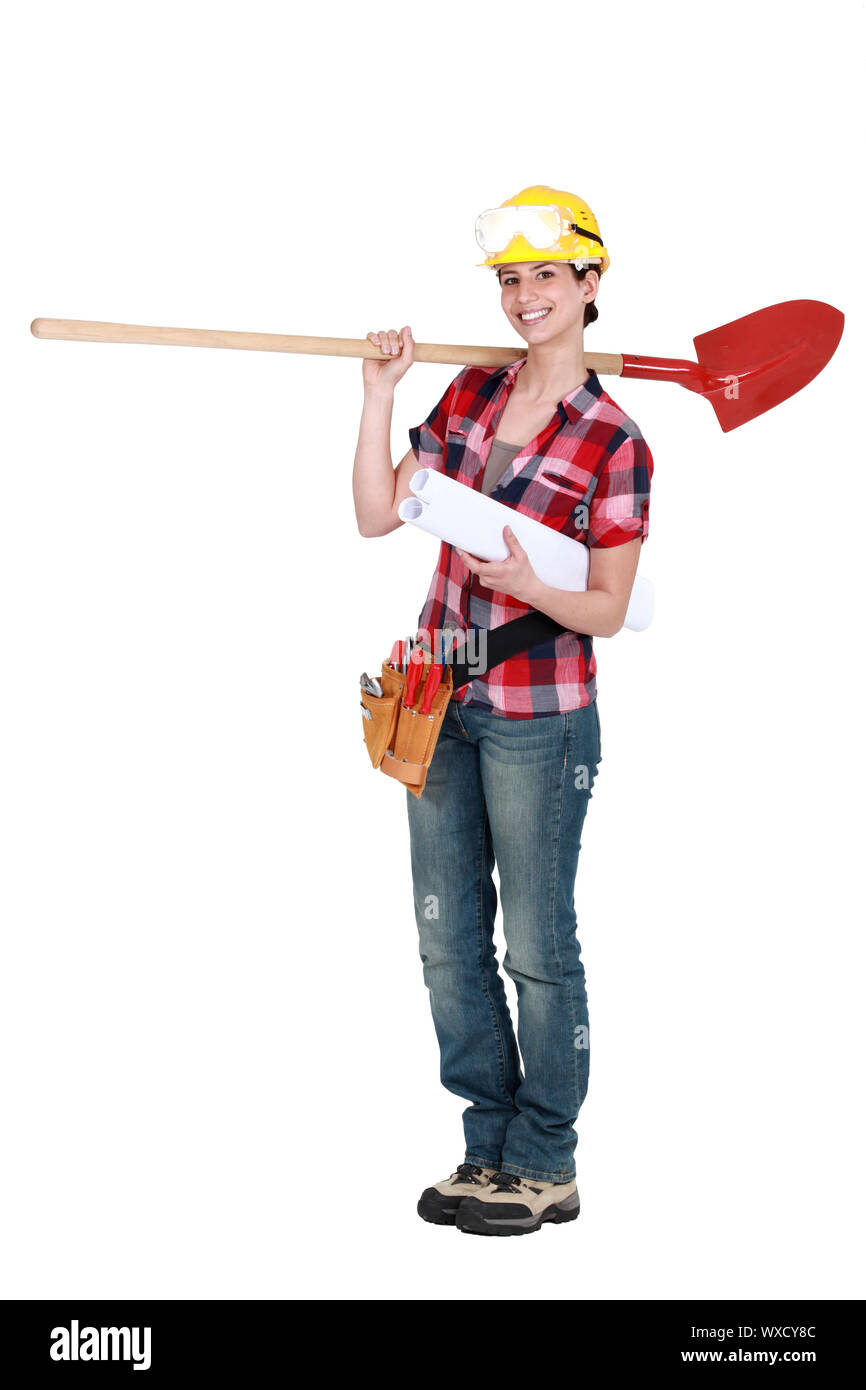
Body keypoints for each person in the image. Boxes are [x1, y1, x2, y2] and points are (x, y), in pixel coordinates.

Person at [352, 185, 653, 1237]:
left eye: (544, 277)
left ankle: (544, 1158)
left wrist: (525, 582)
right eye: (508, 279)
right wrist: (379, 393)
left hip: (540, 713)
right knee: (447, 940)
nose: (524, 297)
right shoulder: (469, 397)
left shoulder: (614, 439)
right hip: (435, 694)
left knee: (535, 942)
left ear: (587, 285)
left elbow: (608, 610)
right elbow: (375, 513)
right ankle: (485, 1145)